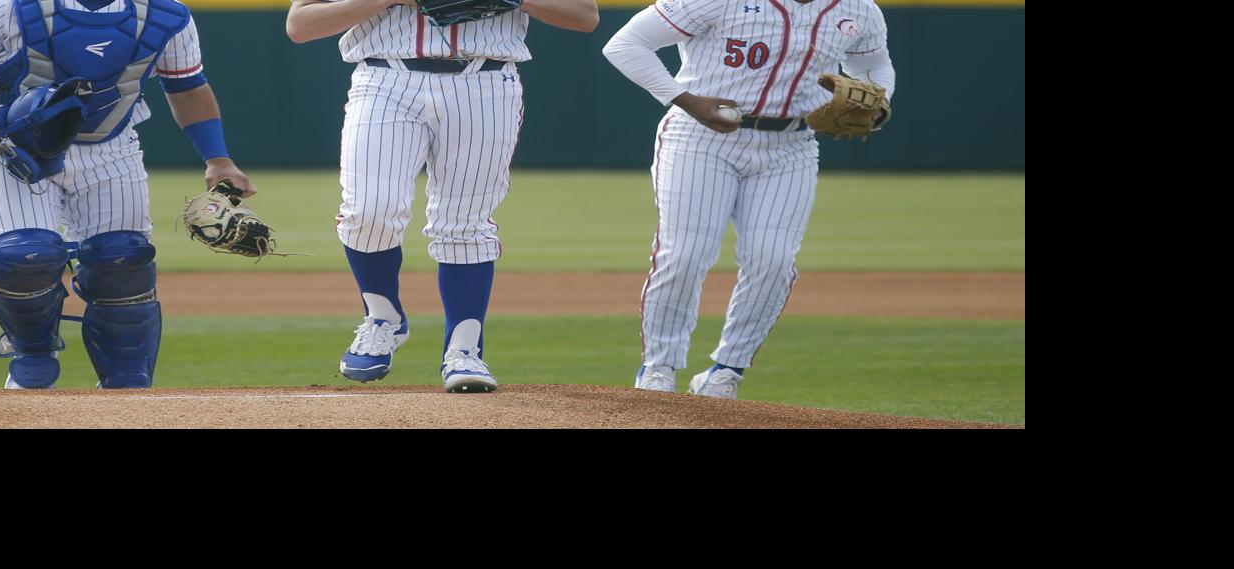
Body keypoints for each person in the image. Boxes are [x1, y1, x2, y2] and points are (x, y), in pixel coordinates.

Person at [0, 0, 257, 390]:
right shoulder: (6, 6)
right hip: (10, 146)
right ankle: (32, 352)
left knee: (123, 260)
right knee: (25, 254)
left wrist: (218, 159)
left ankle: (124, 378)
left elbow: (186, 87)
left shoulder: (168, 15)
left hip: (110, 147)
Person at [285, 0, 599, 393]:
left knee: (464, 223)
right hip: (385, 78)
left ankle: (465, 351)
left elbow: (585, 16)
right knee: (369, 211)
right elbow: (300, 24)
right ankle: (383, 318)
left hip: (485, 81)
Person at [602, 0, 894, 399]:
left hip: (791, 144)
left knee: (773, 261)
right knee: (685, 254)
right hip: (699, 137)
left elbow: (872, 68)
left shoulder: (860, 9)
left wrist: (880, 101)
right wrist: (685, 99)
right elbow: (625, 44)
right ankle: (659, 367)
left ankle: (726, 371)